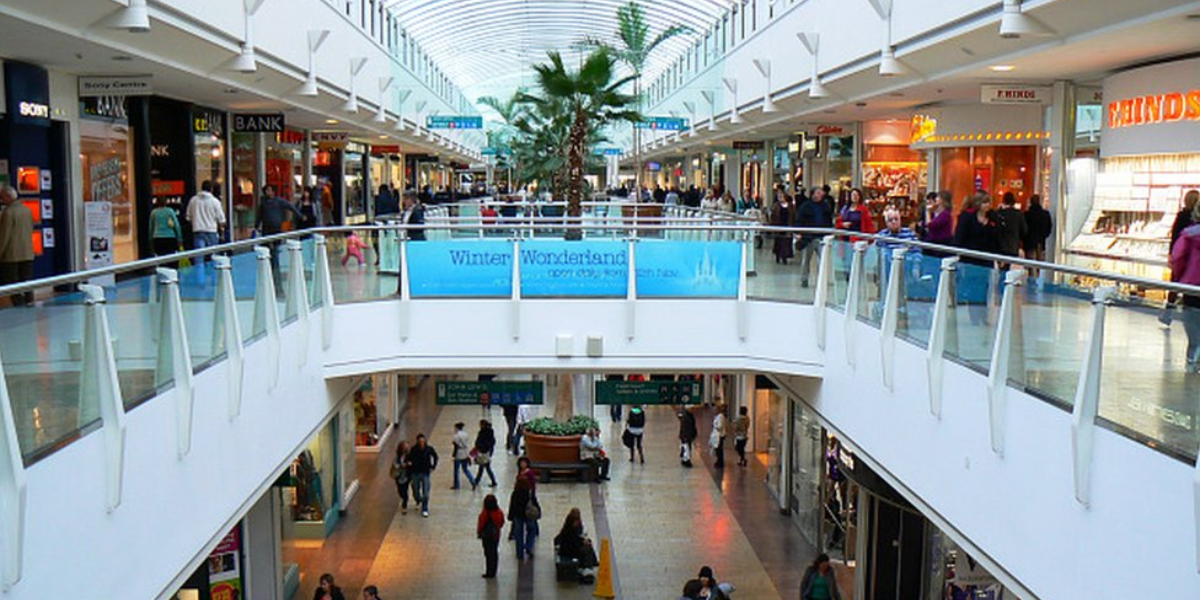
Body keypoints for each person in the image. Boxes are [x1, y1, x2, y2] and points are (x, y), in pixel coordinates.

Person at [1169, 199, 1200, 373]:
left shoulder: (1189, 235)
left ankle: (1192, 358)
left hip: (1192, 286)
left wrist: (1180, 276)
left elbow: (1177, 258)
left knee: (1193, 327)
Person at [1163, 190, 1200, 326]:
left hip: (1186, 266)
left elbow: (1175, 238)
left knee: (1176, 287)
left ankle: (1168, 313)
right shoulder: (1192, 222)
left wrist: (1172, 256)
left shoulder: (1182, 219)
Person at [0, 186, 35, 306]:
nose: (1, 199)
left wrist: (0, 252)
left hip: (12, 254)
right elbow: (31, 229)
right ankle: (30, 301)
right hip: (27, 252)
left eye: (2, 196)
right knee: (27, 280)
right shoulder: (27, 210)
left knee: (12, 283)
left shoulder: (8, 213)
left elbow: (4, 235)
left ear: (8, 197)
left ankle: (19, 305)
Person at [796, 186, 834, 287]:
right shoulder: (805, 206)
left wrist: (830, 233)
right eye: (818, 193)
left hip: (821, 236)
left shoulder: (825, 206)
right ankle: (804, 279)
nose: (820, 194)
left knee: (823, 259)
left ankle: (823, 279)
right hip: (808, 237)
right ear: (813, 194)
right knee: (806, 259)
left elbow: (828, 220)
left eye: (821, 193)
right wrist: (798, 232)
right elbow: (799, 219)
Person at [554, 507, 599, 581]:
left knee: (588, 545)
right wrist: (582, 542)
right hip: (568, 550)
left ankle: (590, 564)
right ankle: (588, 566)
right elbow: (572, 542)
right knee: (586, 549)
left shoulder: (571, 526)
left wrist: (583, 541)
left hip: (571, 547)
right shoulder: (569, 529)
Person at [186, 180, 226, 250]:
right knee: (213, 255)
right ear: (211, 189)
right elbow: (222, 220)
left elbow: (188, 217)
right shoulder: (215, 201)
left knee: (199, 255)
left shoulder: (193, 200)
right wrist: (222, 231)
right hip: (211, 231)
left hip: (198, 231)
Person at [507, 475, 540, 560]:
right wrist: (538, 512)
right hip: (528, 515)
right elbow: (535, 502)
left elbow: (512, 506)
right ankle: (528, 546)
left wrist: (510, 516)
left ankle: (519, 553)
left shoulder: (515, 493)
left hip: (518, 515)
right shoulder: (529, 492)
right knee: (532, 530)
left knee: (519, 534)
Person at [405, 433, 438, 517]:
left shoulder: (429, 449)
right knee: (415, 490)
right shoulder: (413, 450)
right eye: (420, 441)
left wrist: (433, 466)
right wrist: (409, 464)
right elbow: (408, 458)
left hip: (425, 473)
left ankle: (425, 507)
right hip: (415, 472)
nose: (422, 443)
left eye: (423, 441)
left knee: (426, 492)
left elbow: (435, 456)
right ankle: (418, 499)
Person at [477, 493, 505, 578]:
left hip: (486, 536)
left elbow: (481, 524)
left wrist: (479, 532)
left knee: (488, 553)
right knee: (494, 552)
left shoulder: (485, 513)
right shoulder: (499, 511)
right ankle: (494, 570)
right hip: (496, 535)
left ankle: (489, 571)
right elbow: (502, 522)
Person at [149, 196, 183, 265]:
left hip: (158, 238)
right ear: (166, 202)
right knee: (171, 260)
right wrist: (179, 239)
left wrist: (151, 240)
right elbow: (176, 225)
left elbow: (151, 227)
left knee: (161, 261)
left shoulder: (154, 213)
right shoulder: (170, 211)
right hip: (170, 238)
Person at [995, 192, 1028, 260]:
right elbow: (1024, 231)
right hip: (1013, 246)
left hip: (1000, 245)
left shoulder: (999, 214)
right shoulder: (1019, 214)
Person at [472, 419, 498, 489]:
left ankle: (478, 481)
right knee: (484, 467)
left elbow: (479, 441)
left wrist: (480, 448)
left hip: (484, 452)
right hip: (487, 452)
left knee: (485, 467)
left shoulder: (483, 432)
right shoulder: (490, 432)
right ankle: (478, 480)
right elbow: (492, 442)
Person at [451, 422, 477, 490]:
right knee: (465, 469)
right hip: (465, 453)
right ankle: (473, 481)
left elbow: (455, 446)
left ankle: (457, 485)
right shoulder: (466, 434)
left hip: (459, 454)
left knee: (456, 470)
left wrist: (454, 455)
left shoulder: (456, 436)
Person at [770, 191, 794, 264]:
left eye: (781, 196)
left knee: (786, 242)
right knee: (779, 241)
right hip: (778, 225)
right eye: (779, 197)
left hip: (787, 225)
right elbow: (773, 216)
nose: (780, 198)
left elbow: (793, 215)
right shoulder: (775, 206)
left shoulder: (790, 206)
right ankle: (778, 255)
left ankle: (785, 256)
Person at [391, 441, 412, 514]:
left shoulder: (409, 455)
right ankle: (403, 497)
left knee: (405, 490)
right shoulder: (397, 456)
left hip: (406, 476)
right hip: (399, 476)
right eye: (404, 447)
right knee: (400, 491)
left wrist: (408, 465)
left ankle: (404, 506)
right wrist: (401, 466)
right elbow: (395, 464)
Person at [711, 404, 727, 468]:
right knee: (718, 449)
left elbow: (720, 426)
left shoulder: (720, 416)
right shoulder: (717, 416)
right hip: (717, 435)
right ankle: (719, 461)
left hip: (720, 435)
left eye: (715, 409)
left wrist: (714, 426)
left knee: (719, 449)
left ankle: (720, 462)